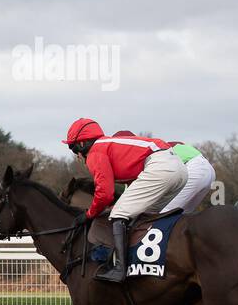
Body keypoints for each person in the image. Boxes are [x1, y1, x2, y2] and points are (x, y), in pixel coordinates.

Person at [63, 118, 186, 283]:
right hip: (179, 169)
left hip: (160, 167)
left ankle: (120, 269)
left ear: (83, 144)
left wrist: (89, 214)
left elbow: (105, 193)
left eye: (73, 148)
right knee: (145, 216)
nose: (76, 155)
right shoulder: (108, 145)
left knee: (119, 214)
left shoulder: (95, 152)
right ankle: (149, 262)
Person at [165, 141, 216, 213]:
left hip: (195, 169)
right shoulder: (173, 145)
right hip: (210, 170)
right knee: (184, 213)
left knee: (164, 212)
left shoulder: (156, 151)